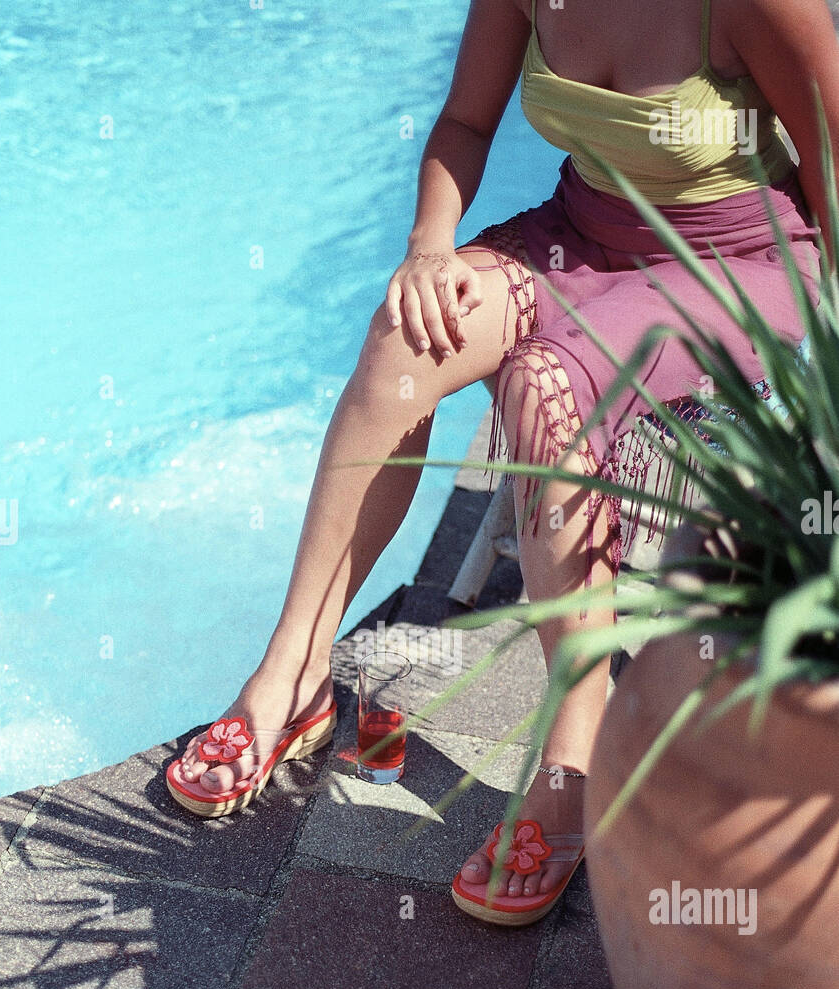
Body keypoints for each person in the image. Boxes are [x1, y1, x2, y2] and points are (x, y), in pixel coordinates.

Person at [166, 0, 834, 924]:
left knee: (545, 385)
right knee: (405, 338)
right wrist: (428, 249)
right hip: (584, 236)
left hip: (737, 263)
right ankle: (294, 671)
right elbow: (466, 122)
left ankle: (574, 750)